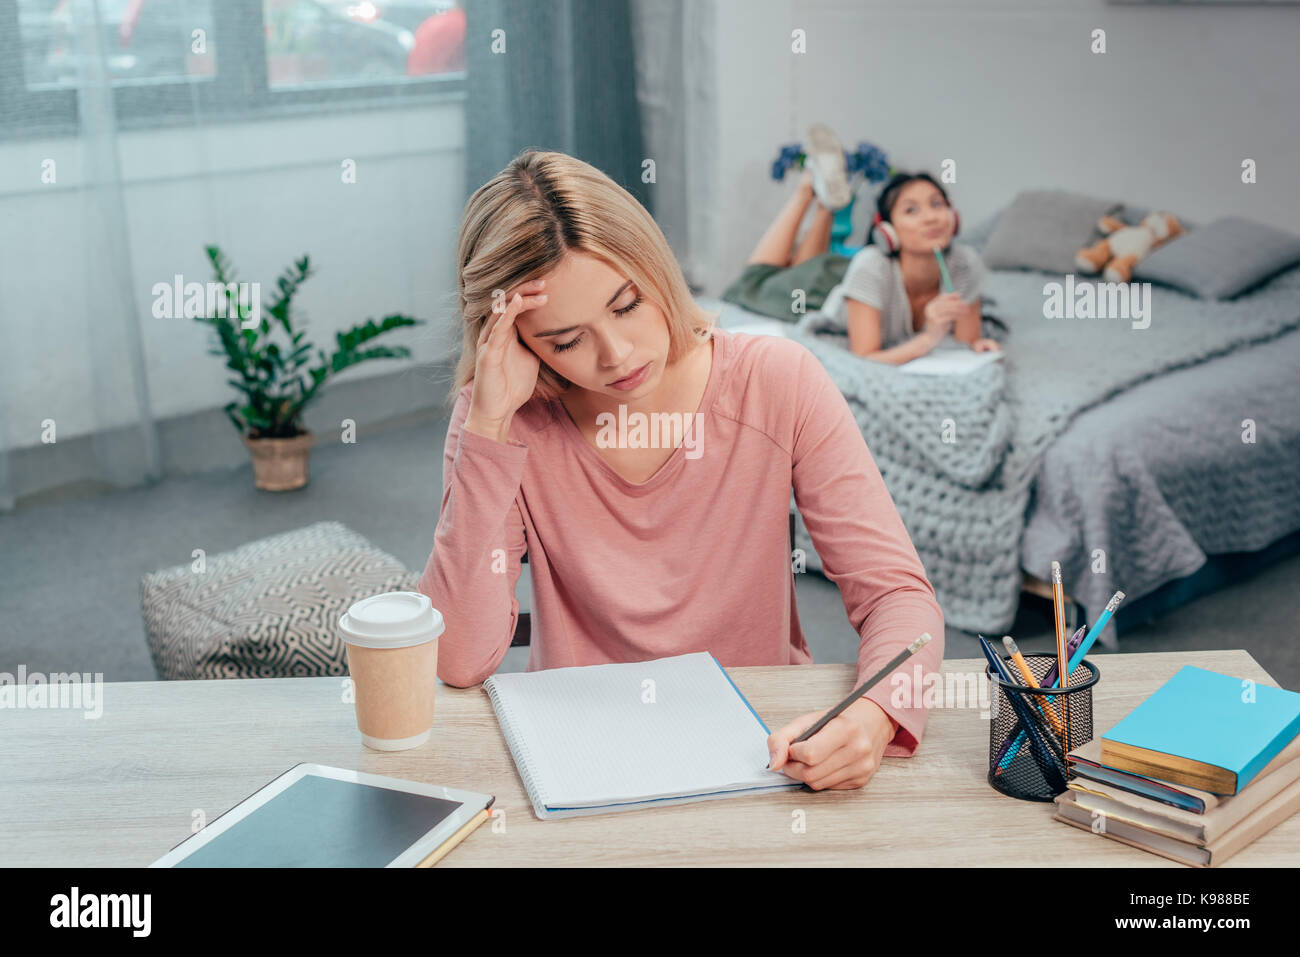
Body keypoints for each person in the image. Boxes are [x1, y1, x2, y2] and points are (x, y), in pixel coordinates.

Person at [420, 149, 945, 791]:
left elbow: (898, 595)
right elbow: (459, 658)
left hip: (764, 748)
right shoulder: (497, 423)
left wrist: (873, 716)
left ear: (656, 265)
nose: (616, 356)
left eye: (626, 305)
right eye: (565, 341)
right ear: (516, 340)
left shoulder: (776, 382)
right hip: (579, 755)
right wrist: (488, 431)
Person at [724, 163, 1000, 364]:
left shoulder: (965, 264)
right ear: (886, 231)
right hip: (819, 290)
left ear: (953, 215)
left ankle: (825, 204)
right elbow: (866, 357)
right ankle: (806, 191)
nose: (930, 217)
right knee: (756, 280)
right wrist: (927, 338)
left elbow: (965, 345)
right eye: (911, 210)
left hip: (853, 276)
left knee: (799, 263)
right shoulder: (871, 267)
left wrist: (979, 347)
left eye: (937, 204)